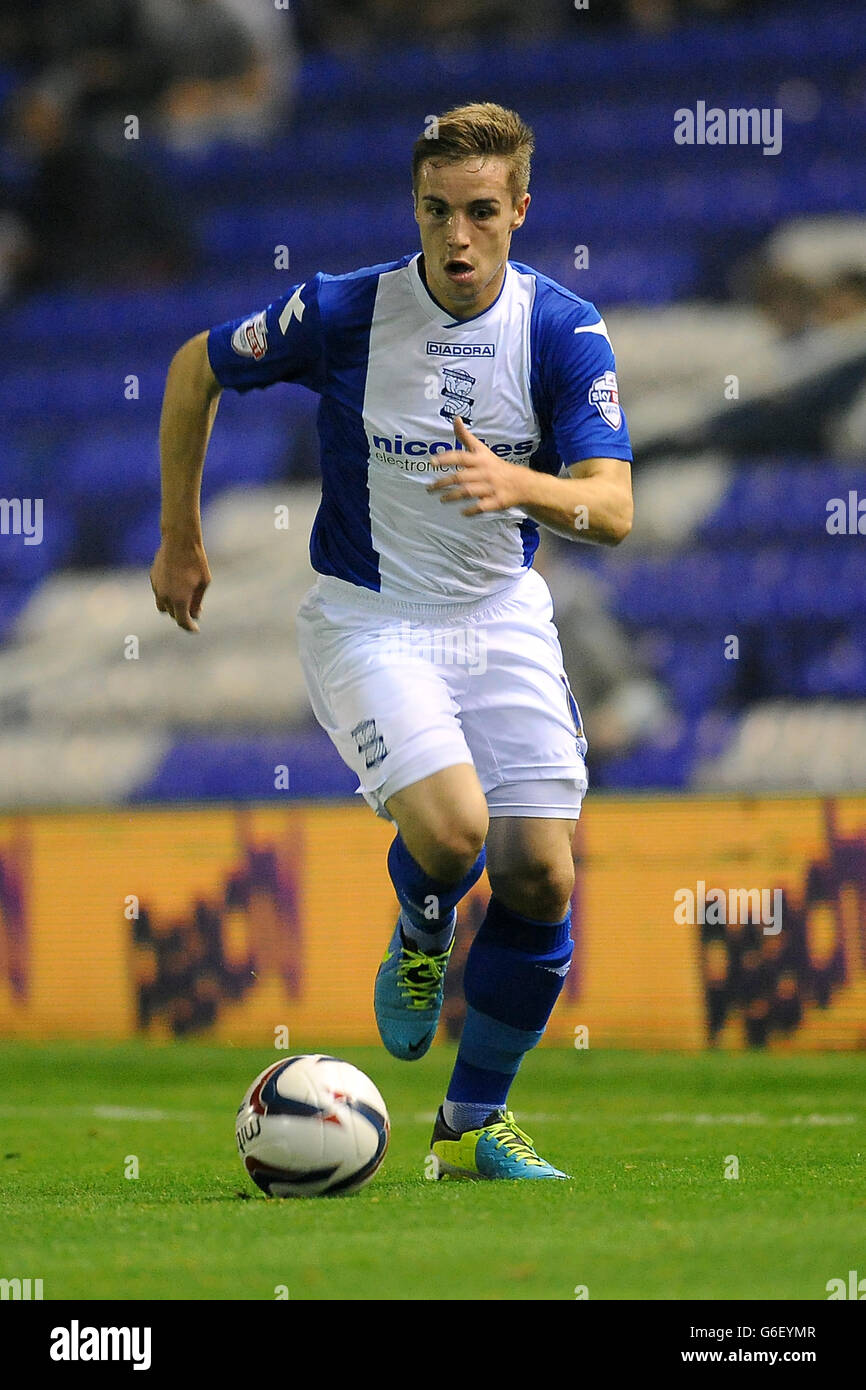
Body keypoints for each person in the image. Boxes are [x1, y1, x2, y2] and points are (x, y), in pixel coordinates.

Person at [150, 102, 634, 1180]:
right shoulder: (342, 312)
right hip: (370, 618)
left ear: (517, 211)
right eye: (434, 212)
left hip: (499, 618)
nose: (455, 238)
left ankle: (472, 1126)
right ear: (413, 210)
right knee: (456, 830)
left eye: (478, 213)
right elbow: (193, 369)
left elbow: (613, 508)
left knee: (541, 875)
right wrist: (180, 533)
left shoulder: (561, 331)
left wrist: (518, 483)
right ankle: (421, 937)